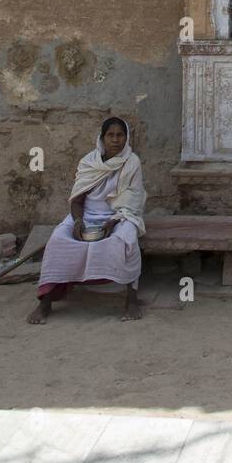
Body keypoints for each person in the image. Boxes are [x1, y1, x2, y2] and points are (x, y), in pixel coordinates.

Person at [27, 117, 145, 323]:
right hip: (86, 215)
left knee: (124, 240)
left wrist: (114, 221)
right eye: (111, 135)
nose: (115, 140)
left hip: (120, 215)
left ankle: (131, 300)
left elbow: (132, 200)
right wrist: (78, 222)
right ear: (102, 137)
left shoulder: (132, 162)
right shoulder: (89, 162)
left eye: (120, 135)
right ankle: (45, 302)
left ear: (126, 138)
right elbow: (77, 199)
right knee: (57, 240)